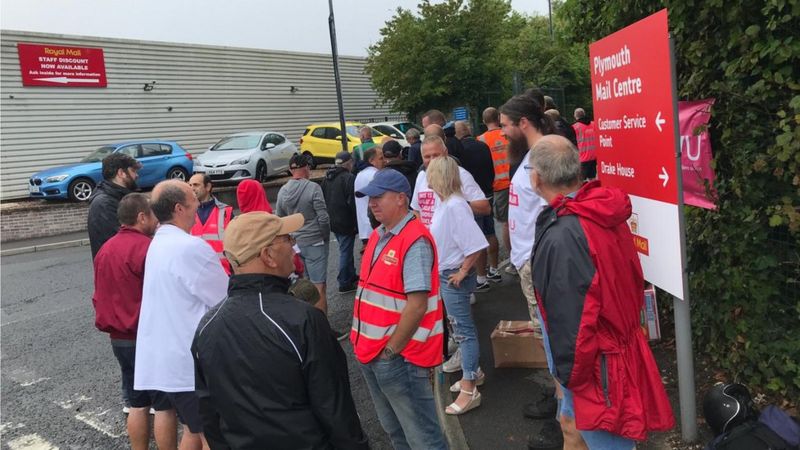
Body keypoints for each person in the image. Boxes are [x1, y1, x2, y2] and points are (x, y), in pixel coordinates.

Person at [529, 134, 674, 447]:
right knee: (572, 425)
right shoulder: (595, 210)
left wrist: (569, 376)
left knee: (608, 440)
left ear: (537, 177)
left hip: (596, 366)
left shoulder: (567, 233)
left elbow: (574, 318)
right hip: (605, 351)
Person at [192, 212, 369, 449]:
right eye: (287, 239)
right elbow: (336, 411)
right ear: (268, 256)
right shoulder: (304, 320)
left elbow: (210, 416)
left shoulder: (207, 326)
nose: (293, 246)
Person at [352, 168, 447, 450]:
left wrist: (390, 351)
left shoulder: (413, 239)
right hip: (374, 352)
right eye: (370, 197)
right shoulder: (381, 234)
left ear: (402, 199)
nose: (372, 203)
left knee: (422, 437)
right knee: (395, 429)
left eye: (379, 197)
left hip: (399, 357)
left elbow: (417, 306)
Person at [134, 180, 229, 450]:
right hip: (187, 359)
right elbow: (223, 301)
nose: (198, 205)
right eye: (193, 201)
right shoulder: (190, 247)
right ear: (179, 208)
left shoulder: (158, 242)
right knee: (210, 433)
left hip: (164, 354)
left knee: (191, 428)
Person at [92, 193, 176, 450]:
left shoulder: (105, 249)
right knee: (164, 406)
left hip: (119, 338)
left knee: (136, 402)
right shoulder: (147, 248)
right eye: (152, 215)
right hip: (148, 335)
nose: (156, 220)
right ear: (142, 216)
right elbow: (165, 293)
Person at [426, 157, 488, 416]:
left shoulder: (454, 205)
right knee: (459, 329)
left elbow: (475, 244)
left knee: (463, 332)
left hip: (452, 275)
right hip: (448, 274)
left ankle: (470, 387)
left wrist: (462, 272)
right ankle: (472, 375)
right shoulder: (447, 203)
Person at [275, 154, 332, 314]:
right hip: (315, 241)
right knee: (318, 286)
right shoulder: (313, 188)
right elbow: (323, 217)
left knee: (302, 286)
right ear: (306, 167)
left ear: (290, 170)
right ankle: (322, 327)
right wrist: (325, 235)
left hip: (295, 244)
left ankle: (306, 323)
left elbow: (280, 218)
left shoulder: (283, 191)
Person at [454, 120, 498, 292]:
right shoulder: (483, 145)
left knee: (475, 239)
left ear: (458, 133)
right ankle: (494, 269)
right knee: (490, 233)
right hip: (488, 192)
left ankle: (481, 278)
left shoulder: (461, 151)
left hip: (473, 200)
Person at [411, 134, 490, 227]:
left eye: (436, 155)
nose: (432, 160)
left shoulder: (460, 174)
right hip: (429, 239)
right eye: (427, 157)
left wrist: (455, 200)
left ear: (445, 153)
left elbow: (485, 208)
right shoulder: (421, 176)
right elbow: (416, 210)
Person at [237, 179, 305, 278]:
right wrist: (299, 270)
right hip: (279, 279)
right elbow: (291, 255)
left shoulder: (238, 227)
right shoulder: (272, 223)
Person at [478, 107, 511, 281]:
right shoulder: (507, 134)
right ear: (498, 119)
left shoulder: (481, 139)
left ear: (484, 121)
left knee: (504, 224)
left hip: (497, 186)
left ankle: (512, 260)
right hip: (513, 181)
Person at [87, 153, 141, 259]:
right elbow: (124, 241)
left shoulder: (117, 197)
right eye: (133, 171)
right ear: (121, 173)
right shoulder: (104, 204)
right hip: (116, 270)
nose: (136, 175)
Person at [321, 151, 359, 293]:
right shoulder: (348, 178)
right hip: (346, 220)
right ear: (349, 163)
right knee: (345, 250)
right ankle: (344, 281)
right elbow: (352, 202)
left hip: (333, 219)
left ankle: (351, 275)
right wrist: (357, 221)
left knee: (345, 248)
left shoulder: (327, 178)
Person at [189, 174, 234, 275]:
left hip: (223, 273)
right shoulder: (186, 213)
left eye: (196, 185)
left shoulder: (226, 212)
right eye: (190, 185)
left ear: (208, 187)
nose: (192, 188)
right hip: (197, 274)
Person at [354, 147, 386, 244]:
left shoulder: (359, 175)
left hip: (363, 227)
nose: (384, 161)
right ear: (371, 161)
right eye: (381, 158)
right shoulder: (376, 174)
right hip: (376, 227)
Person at [572, 107, 598, 179]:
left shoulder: (574, 127)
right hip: (593, 155)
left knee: (581, 180)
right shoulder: (594, 124)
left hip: (582, 157)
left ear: (575, 116)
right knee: (592, 178)